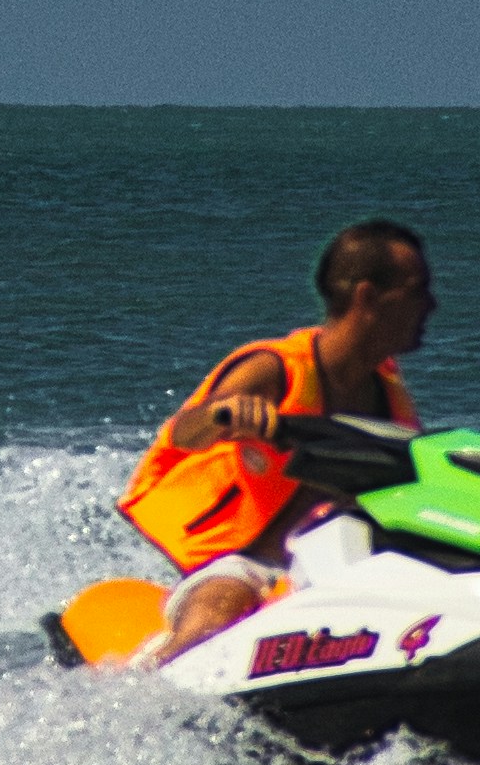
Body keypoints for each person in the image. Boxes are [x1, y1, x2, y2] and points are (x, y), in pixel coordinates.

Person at [118, 219, 434, 663]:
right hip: (251, 566)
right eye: (417, 290)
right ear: (367, 296)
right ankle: (149, 681)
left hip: (346, 564)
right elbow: (187, 431)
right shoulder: (274, 369)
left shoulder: (389, 398)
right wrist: (225, 415)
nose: (431, 305)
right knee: (216, 616)